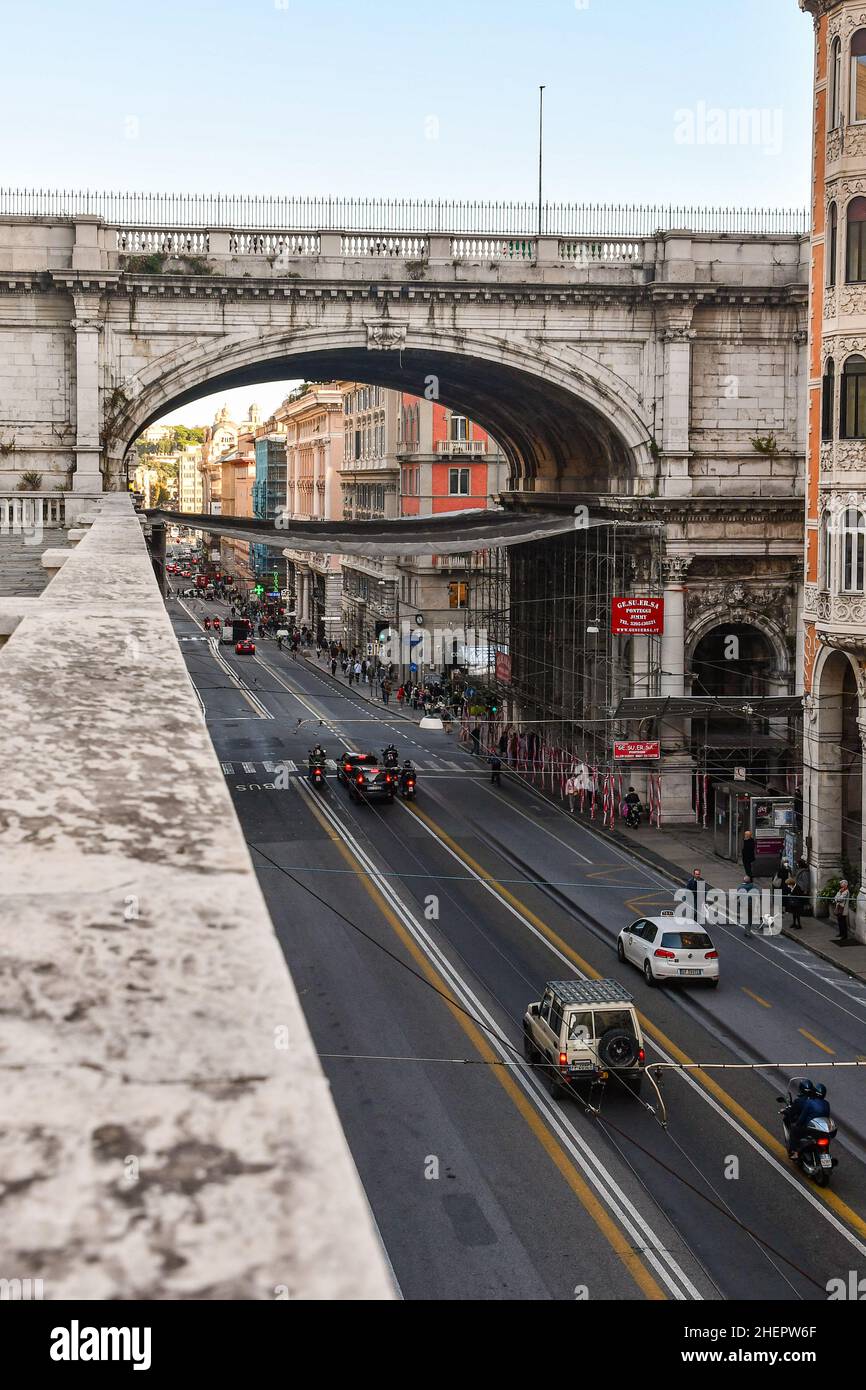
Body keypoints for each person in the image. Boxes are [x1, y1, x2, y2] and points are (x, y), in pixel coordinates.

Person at [784, 1080, 831, 1159]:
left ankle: (794, 1152)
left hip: (810, 1128)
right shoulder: (826, 1104)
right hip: (822, 1130)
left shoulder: (810, 1102)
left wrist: (797, 1124)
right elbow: (827, 1116)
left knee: (794, 1131)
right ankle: (826, 1155)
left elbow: (803, 1117)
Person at [832, 880, 851, 944]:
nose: (840, 885)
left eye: (841, 884)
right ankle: (841, 933)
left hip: (843, 909)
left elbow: (840, 899)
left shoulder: (846, 891)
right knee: (839, 921)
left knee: (843, 922)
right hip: (839, 908)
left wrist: (838, 897)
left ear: (845, 885)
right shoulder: (841, 890)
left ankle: (844, 935)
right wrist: (838, 897)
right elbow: (835, 898)